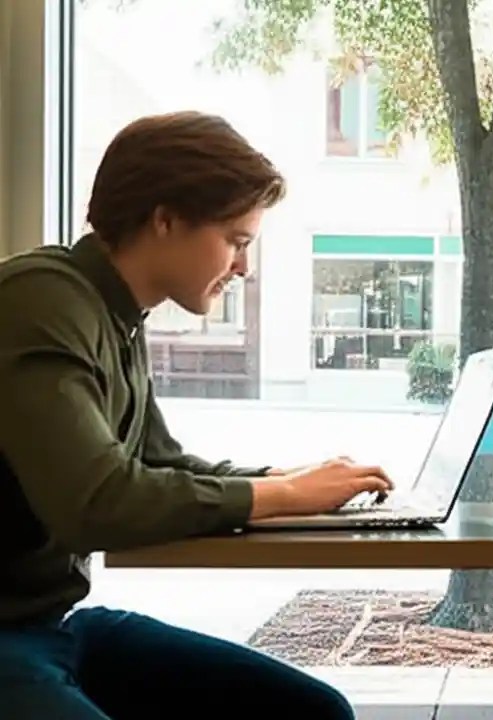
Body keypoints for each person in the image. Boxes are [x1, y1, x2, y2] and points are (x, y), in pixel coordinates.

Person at [0, 111, 395, 719]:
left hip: (51, 627)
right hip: (9, 636)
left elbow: (160, 463)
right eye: (237, 240)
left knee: (314, 712)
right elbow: (97, 502)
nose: (244, 266)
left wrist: (292, 482)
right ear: (165, 220)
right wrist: (285, 494)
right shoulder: (41, 303)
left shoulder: (114, 315)